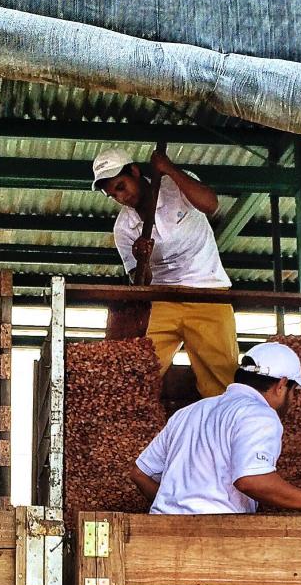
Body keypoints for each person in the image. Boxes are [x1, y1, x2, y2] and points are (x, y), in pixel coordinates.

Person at [129, 341, 301, 531]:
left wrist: (175, 508)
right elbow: (251, 480)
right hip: (216, 536)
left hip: (160, 530)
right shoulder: (260, 414)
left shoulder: (190, 412)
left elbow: (140, 472)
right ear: (281, 384)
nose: (293, 399)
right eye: (294, 391)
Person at [92, 146, 238, 399]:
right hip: (161, 299)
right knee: (137, 372)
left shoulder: (175, 186)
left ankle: (225, 428)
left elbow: (211, 204)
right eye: (112, 194)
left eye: (121, 186)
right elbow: (140, 282)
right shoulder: (124, 229)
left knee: (222, 377)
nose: (120, 197)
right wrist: (143, 260)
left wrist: (168, 168)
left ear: (135, 172)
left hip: (208, 291)